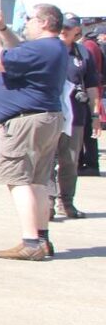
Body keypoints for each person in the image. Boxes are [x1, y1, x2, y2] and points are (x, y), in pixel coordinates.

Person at [0, 3, 68, 261]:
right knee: (37, 181)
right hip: (44, 117)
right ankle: (41, 238)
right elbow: (17, 47)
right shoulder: (52, 48)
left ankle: (30, 241)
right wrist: (2, 28)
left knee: (18, 179)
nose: (27, 23)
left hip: (26, 122)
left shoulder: (44, 47)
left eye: (30, 19)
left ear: (44, 22)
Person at [51, 14, 98, 221]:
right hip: (50, 114)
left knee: (70, 161)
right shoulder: (49, 51)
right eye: (60, 28)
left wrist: (95, 114)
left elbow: (92, 86)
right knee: (46, 162)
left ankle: (66, 202)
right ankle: (47, 203)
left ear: (76, 32)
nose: (63, 32)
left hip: (76, 115)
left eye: (67, 29)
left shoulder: (83, 54)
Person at [77, 31, 104, 176]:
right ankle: (87, 164)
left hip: (87, 91)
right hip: (89, 90)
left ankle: (89, 164)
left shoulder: (87, 47)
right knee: (87, 131)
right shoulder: (91, 46)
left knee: (87, 131)